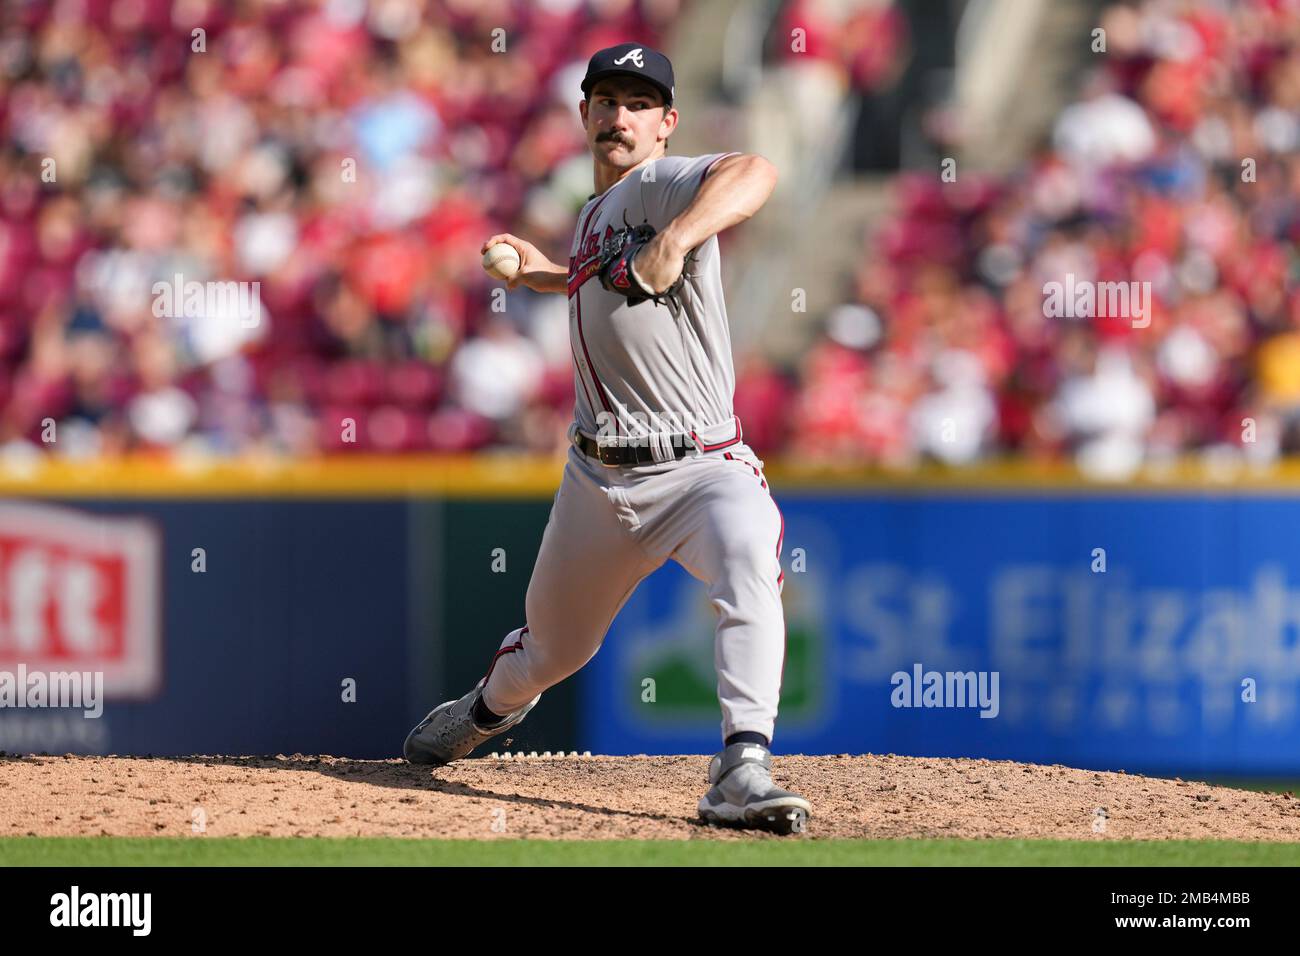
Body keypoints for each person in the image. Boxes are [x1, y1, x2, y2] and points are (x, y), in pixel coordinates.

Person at [404, 42, 809, 834]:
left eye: (638, 103)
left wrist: (677, 240)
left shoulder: (662, 184)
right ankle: (484, 713)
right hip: (598, 478)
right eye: (605, 100)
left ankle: (743, 766)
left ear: (666, 125)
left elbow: (755, 172)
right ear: (584, 114)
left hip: (702, 466)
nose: (619, 115)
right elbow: (602, 277)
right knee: (552, 653)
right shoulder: (596, 215)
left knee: (749, 558)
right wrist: (539, 273)